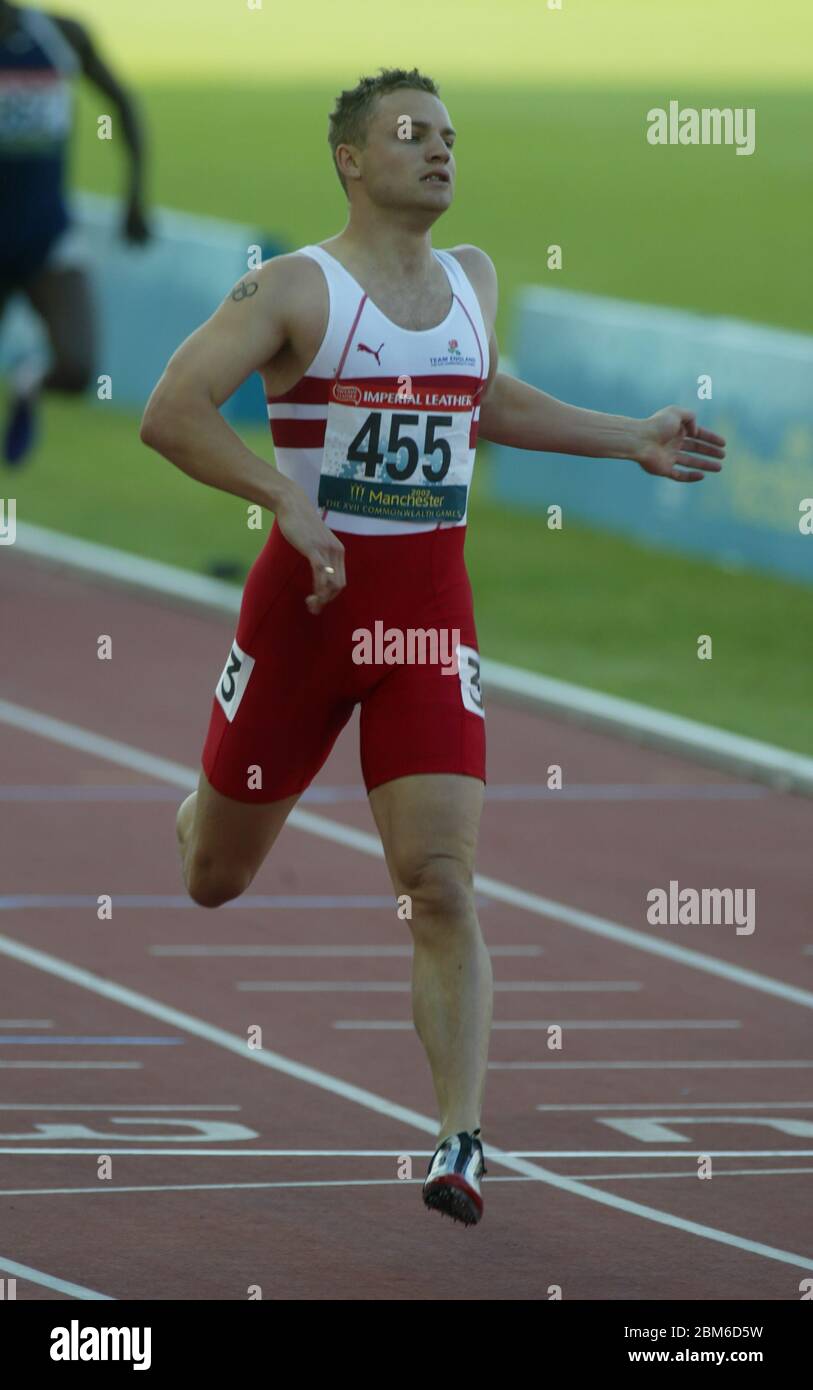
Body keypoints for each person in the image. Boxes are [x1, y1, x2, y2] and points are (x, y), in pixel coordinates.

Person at [139, 68, 726, 1227]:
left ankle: (459, 1135)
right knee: (214, 878)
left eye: (452, 134)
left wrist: (629, 440)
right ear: (353, 160)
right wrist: (281, 498)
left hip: (424, 624)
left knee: (440, 884)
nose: (441, 150)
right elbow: (171, 408)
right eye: (414, 134)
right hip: (302, 620)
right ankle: (198, 805)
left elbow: (479, 399)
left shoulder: (472, 281)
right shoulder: (295, 289)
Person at [0, 0, 149, 465]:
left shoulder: (61, 35)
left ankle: (28, 381)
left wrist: (135, 194)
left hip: (47, 236)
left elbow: (122, 103)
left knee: (77, 366)